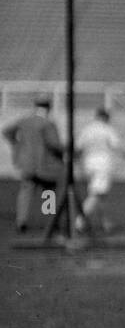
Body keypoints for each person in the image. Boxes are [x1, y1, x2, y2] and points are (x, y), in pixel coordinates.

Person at [74, 108, 125, 235]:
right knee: (97, 194)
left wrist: (74, 161)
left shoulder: (87, 129)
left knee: (101, 196)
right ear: (106, 118)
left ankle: (106, 223)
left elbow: (78, 148)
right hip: (103, 164)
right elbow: (118, 148)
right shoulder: (107, 129)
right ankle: (79, 221)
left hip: (88, 164)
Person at [2, 97, 63, 234]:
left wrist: (17, 145)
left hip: (27, 163)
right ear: (49, 107)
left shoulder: (25, 120)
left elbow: (6, 131)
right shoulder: (48, 123)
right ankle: (49, 222)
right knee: (48, 193)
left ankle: (21, 221)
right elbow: (54, 144)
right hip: (45, 164)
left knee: (26, 191)